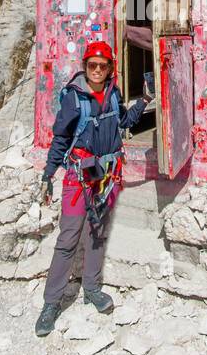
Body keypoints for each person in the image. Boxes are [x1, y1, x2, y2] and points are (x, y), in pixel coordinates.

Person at [35, 41, 148, 337]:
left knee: (98, 232)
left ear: (110, 68)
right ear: (85, 67)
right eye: (92, 65)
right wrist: (48, 174)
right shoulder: (74, 98)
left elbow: (124, 121)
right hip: (79, 177)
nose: (97, 70)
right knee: (69, 237)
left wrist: (145, 101)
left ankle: (92, 288)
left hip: (107, 176)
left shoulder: (113, 95)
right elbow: (60, 139)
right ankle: (51, 303)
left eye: (103, 65)